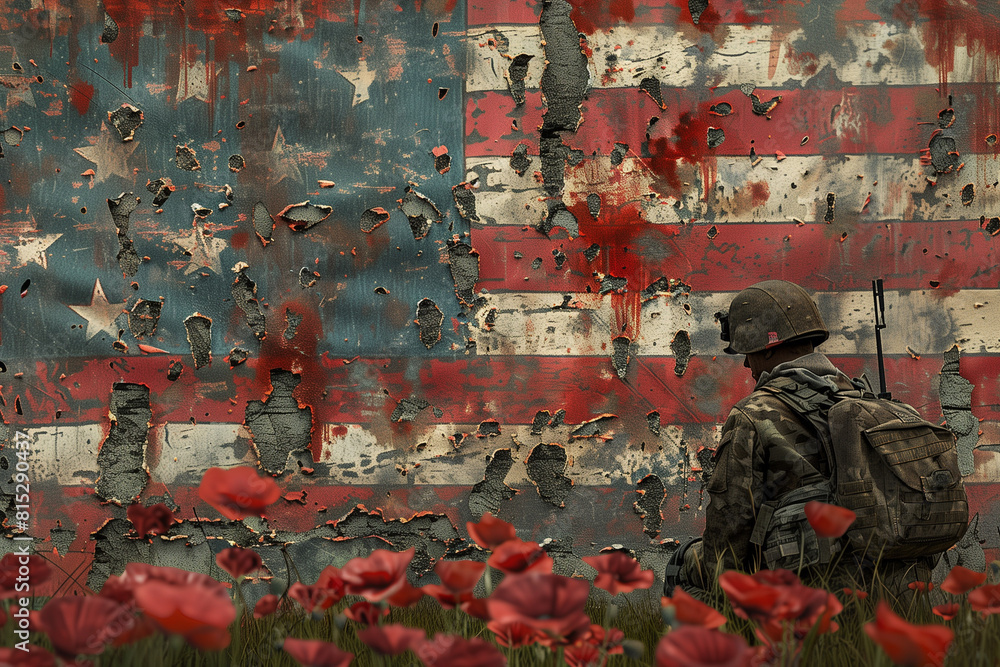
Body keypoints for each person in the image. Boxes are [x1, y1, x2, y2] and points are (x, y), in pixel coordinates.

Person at [664, 280, 938, 601]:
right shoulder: (873, 406)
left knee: (684, 564)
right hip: (894, 591)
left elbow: (728, 536)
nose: (747, 364)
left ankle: (737, 647)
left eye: (747, 353)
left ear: (764, 347)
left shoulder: (754, 414)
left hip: (811, 599)